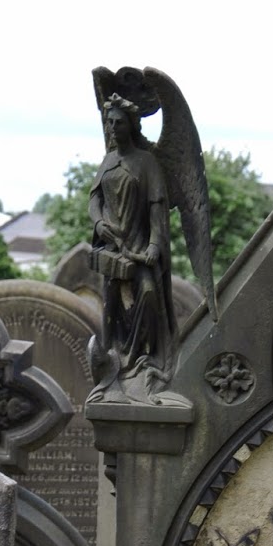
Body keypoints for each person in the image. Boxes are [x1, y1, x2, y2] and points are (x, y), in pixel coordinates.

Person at [88, 95, 178, 401]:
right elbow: (95, 200)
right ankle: (114, 363)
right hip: (112, 247)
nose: (113, 128)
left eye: (119, 122)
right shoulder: (108, 161)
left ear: (131, 125)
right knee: (110, 304)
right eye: (109, 122)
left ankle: (142, 360)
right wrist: (99, 224)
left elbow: (157, 207)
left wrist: (155, 244)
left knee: (149, 294)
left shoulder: (146, 162)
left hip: (139, 246)